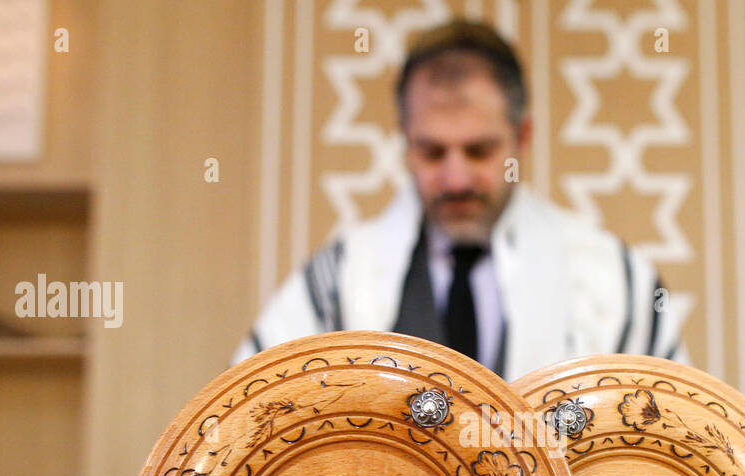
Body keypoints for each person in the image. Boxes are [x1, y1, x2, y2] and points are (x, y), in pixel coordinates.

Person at [230, 18, 688, 379]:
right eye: (432, 152)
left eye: (479, 151)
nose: (455, 179)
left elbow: (667, 450)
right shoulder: (337, 285)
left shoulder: (616, 281)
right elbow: (251, 428)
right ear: (405, 141)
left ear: (522, 136)